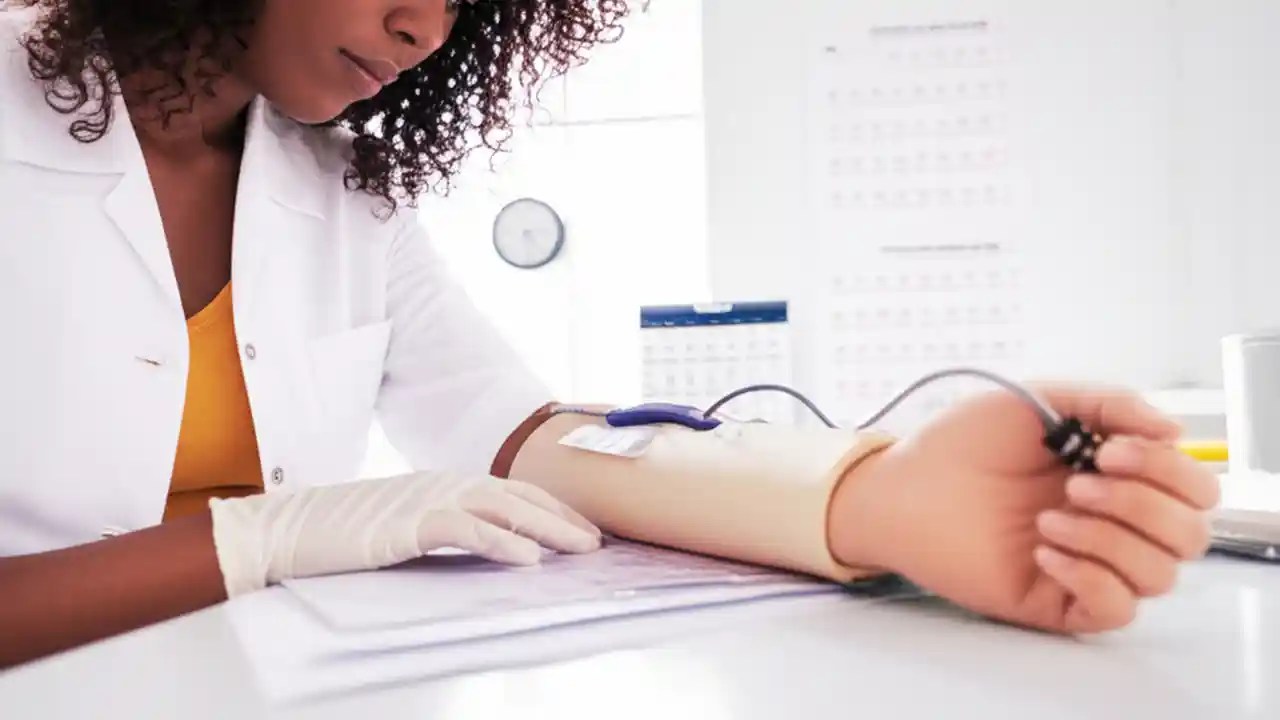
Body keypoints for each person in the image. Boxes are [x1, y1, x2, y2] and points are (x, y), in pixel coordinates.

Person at [0, 0, 1219, 669]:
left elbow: (526, 438)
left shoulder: (341, 188)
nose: (426, 25)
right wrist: (265, 536)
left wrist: (870, 502)